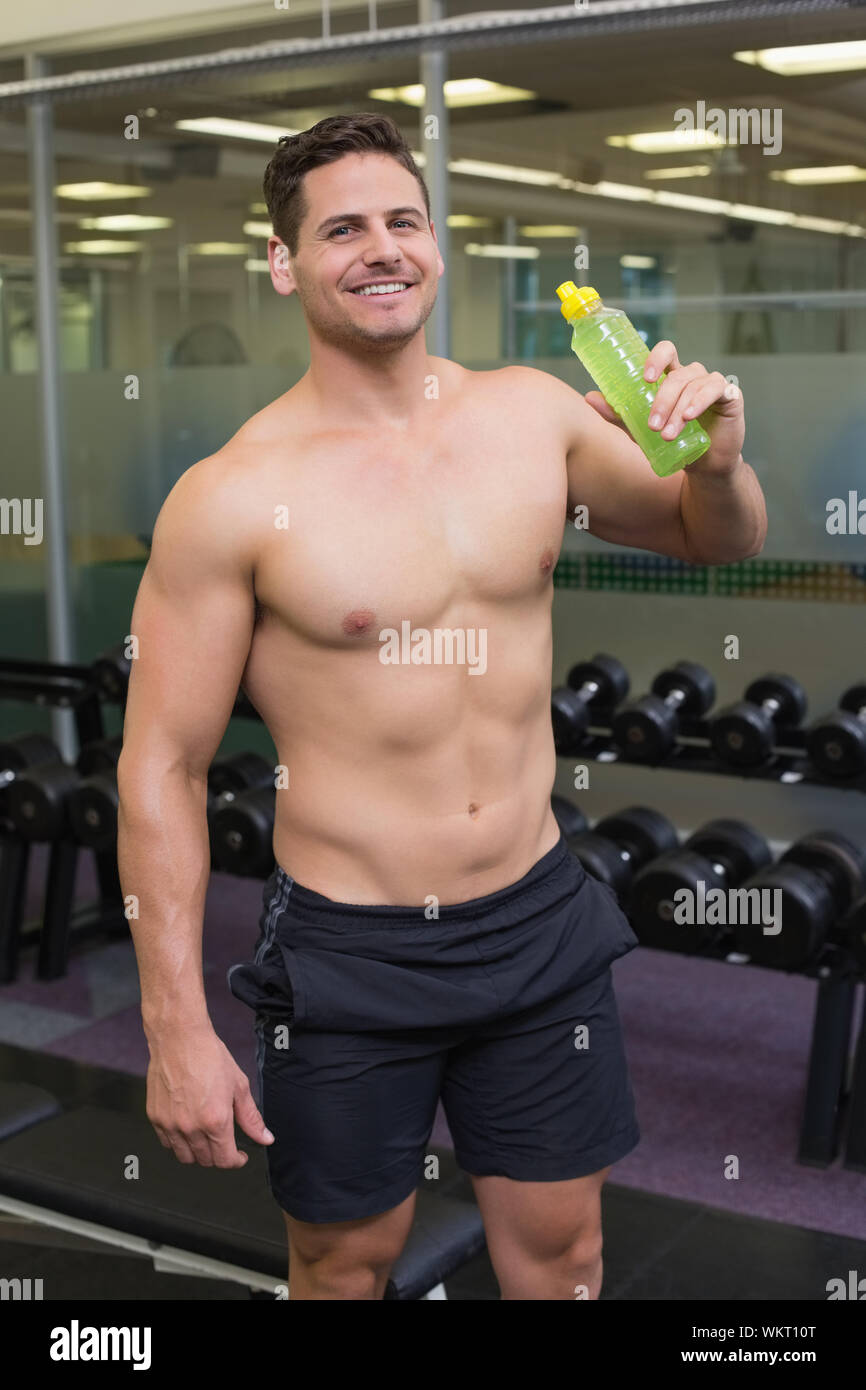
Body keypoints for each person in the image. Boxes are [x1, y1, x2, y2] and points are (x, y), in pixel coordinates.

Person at [117, 112, 767, 1301]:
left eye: (403, 221)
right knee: (345, 1261)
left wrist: (717, 463)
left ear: (437, 244)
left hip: (532, 918)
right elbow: (160, 763)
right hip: (351, 949)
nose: (382, 248)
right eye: (343, 228)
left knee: (563, 1254)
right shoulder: (229, 496)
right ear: (284, 261)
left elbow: (706, 538)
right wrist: (172, 1027)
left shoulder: (529, 416)